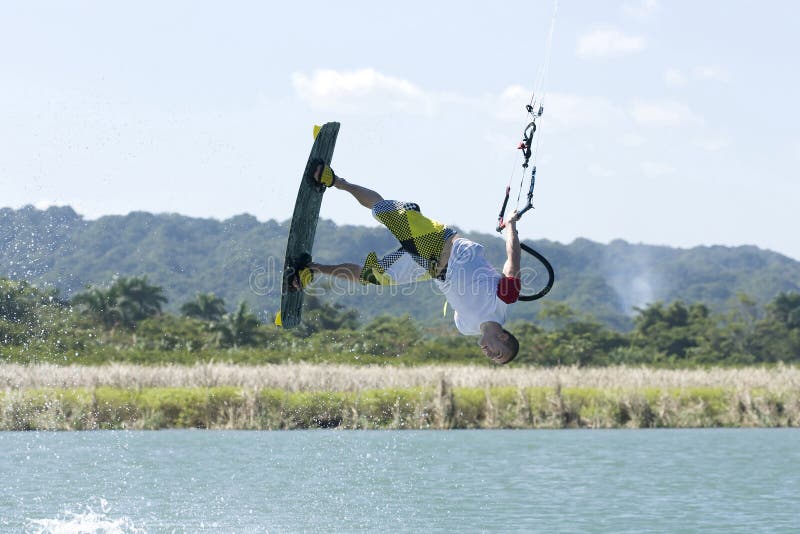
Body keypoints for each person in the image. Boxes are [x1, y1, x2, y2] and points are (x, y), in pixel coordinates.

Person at [299, 162, 523, 364]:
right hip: (444, 245)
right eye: (497, 353)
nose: (489, 354)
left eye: (493, 359)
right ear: (503, 337)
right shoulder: (503, 304)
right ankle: (336, 181)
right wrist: (511, 225)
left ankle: (312, 268)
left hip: (429, 268)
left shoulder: (465, 328)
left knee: (372, 278)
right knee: (380, 209)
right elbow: (511, 263)